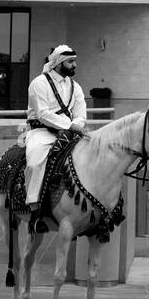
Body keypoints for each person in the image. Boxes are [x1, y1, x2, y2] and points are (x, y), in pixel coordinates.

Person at [24, 45, 87, 223]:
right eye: (70, 62)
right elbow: (42, 114)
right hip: (42, 132)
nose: (74, 65)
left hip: (70, 133)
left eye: (74, 61)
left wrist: (76, 124)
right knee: (35, 164)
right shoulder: (39, 83)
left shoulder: (76, 87)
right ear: (58, 63)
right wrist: (70, 125)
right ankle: (34, 208)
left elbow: (81, 115)